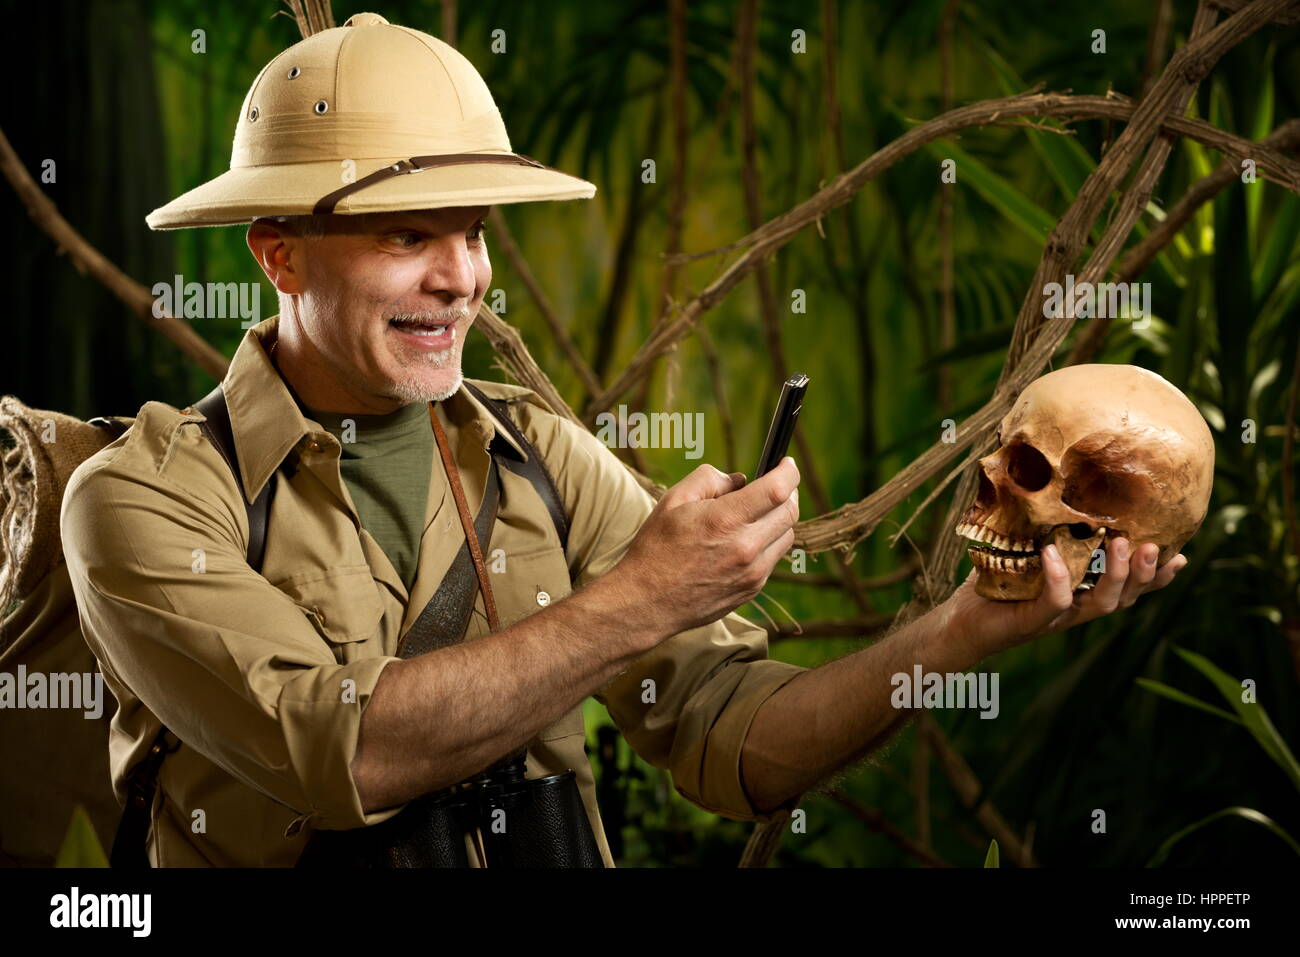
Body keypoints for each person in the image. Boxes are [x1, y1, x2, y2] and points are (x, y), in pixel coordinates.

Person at [60, 12, 1184, 867]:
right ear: (279, 256)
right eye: (410, 236)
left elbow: (734, 741)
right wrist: (645, 595)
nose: (461, 279)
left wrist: (959, 635)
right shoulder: (148, 501)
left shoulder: (536, 455)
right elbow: (348, 754)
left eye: (474, 232)